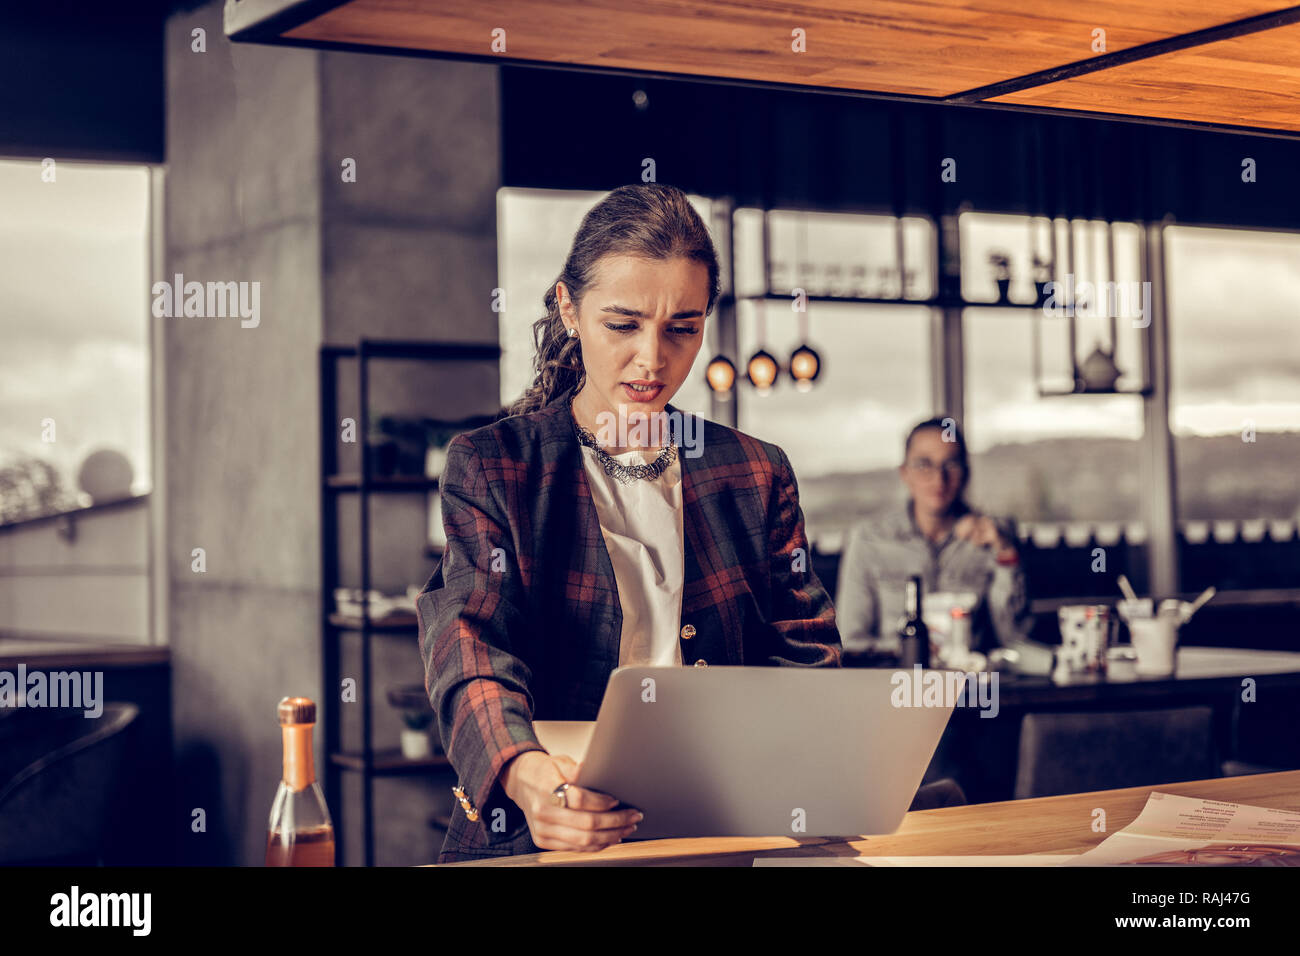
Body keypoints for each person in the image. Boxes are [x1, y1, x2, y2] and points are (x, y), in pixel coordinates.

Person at [415, 183, 841, 863]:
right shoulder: (495, 466)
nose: (653, 360)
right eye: (624, 324)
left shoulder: (755, 471)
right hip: (545, 834)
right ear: (568, 307)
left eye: (683, 327)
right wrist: (527, 778)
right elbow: (470, 648)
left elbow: (805, 652)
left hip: (722, 833)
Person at [835, 417, 1052, 672]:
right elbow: (850, 642)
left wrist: (1005, 553)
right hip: (895, 690)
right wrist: (908, 647)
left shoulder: (995, 536)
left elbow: (1014, 638)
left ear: (966, 473)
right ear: (904, 473)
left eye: (950, 464)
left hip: (972, 694)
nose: (939, 478)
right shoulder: (869, 539)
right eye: (924, 464)